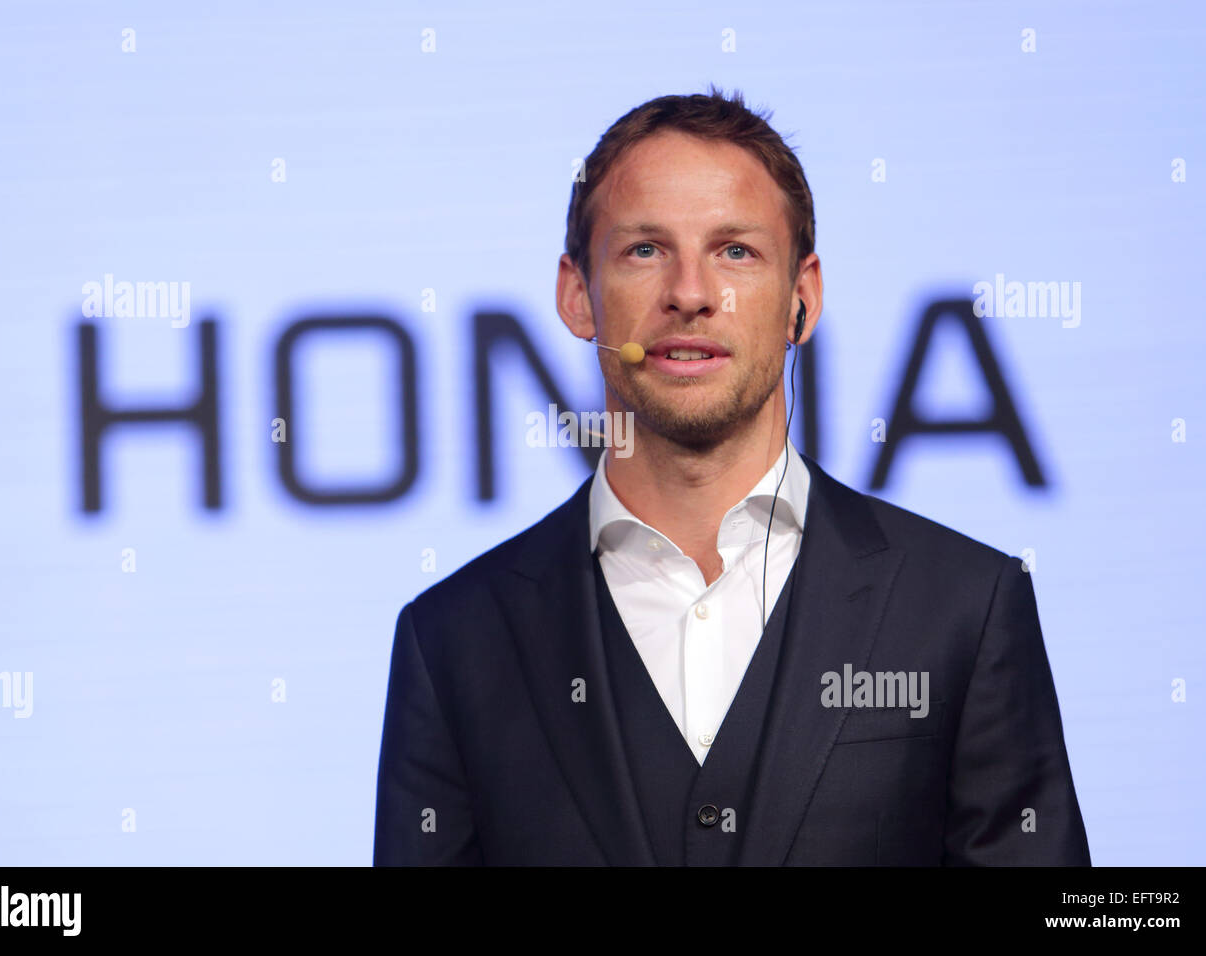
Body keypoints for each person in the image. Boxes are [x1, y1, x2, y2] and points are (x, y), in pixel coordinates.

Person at [374, 87, 1090, 866]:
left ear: (802, 298)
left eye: (735, 252)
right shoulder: (453, 641)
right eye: (644, 249)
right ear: (578, 296)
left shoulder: (964, 605)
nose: (690, 294)